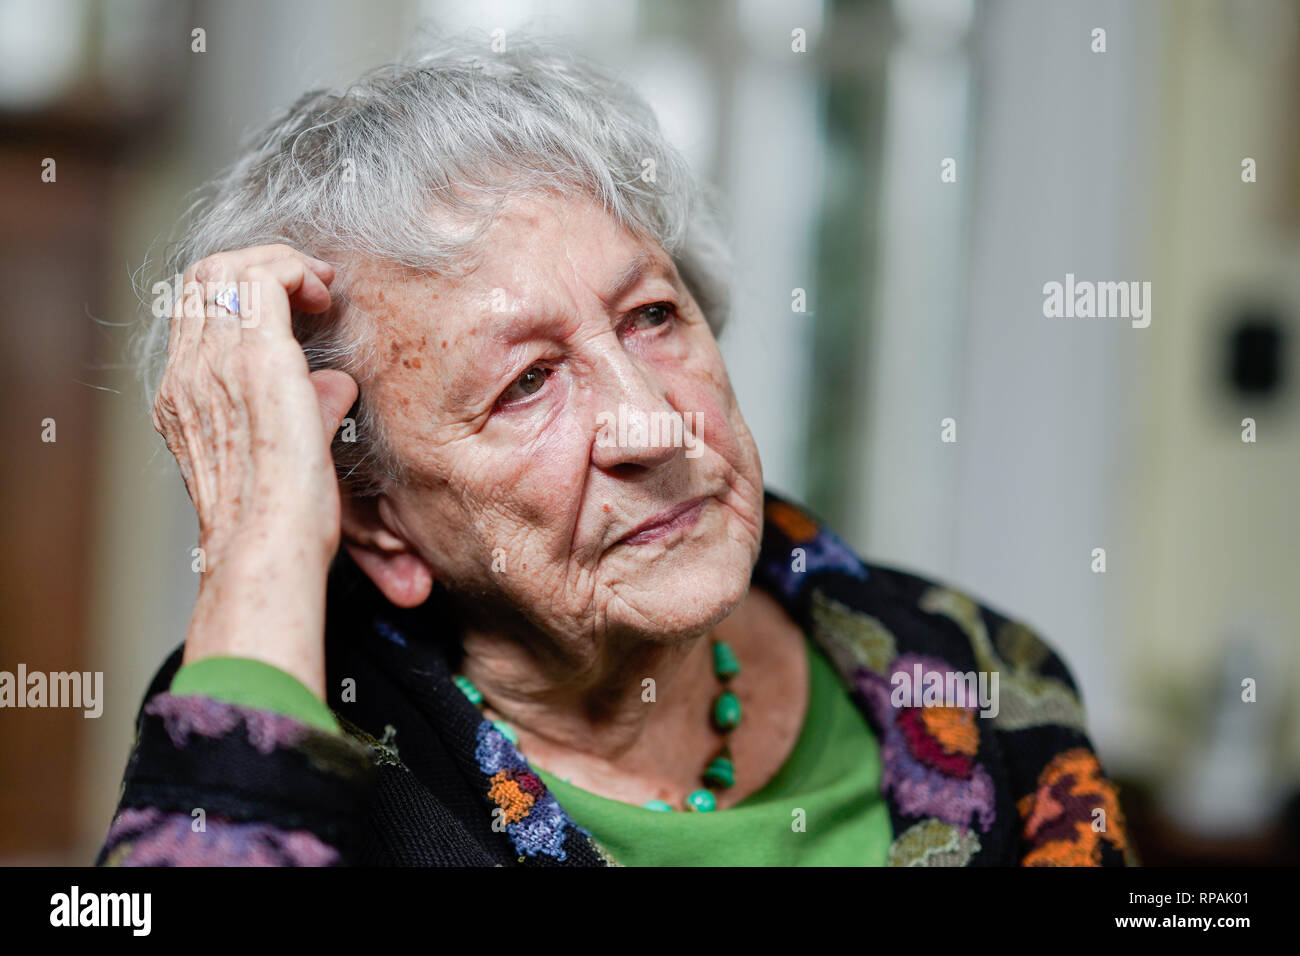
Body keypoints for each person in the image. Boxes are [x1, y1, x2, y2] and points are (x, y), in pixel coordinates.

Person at [97, 33, 1132, 867]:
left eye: (649, 316)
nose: (652, 422)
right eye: (527, 382)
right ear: (379, 518)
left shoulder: (977, 675)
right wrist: (258, 546)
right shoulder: (284, 728)